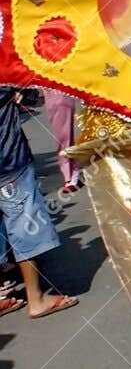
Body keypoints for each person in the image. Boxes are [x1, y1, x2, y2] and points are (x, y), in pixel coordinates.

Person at [0, 85, 79, 319]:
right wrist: (25, 93)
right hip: (7, 165)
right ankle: (36, 298)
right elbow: (21, 95)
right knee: (24, 224)